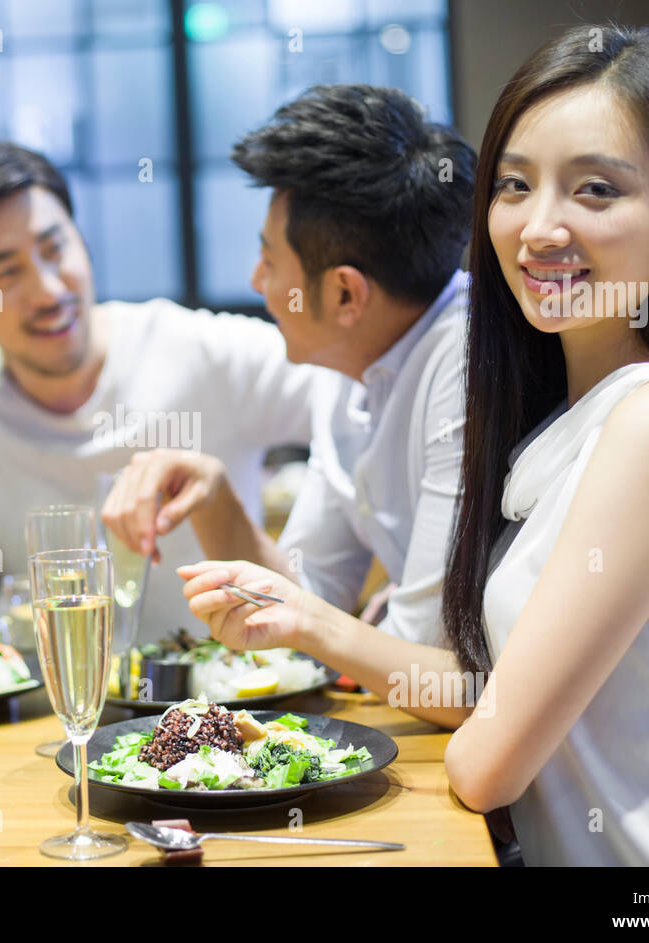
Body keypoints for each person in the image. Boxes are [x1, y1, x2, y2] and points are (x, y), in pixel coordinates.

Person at [179, 25, 649, 865]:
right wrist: (308, 619)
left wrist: (326, 630)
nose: (540, 228)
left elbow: (485, 761)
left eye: (595, 190)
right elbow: (482, 691)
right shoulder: (568, 411)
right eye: (515, 185)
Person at [0, 137, 325, 652]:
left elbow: (362, 404)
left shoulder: (202, 349)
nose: (49, 290)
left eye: (54, 247)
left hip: (249, 696)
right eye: (6, 273)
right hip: (70, 716)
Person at [101, 84, 476, 652]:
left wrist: (374, 628)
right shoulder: (347, 365)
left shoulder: (468, 366)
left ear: (346, 294)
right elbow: (309, 596)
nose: (257, 282)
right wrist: (215, 495)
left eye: (270, 260)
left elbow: (433, 655)